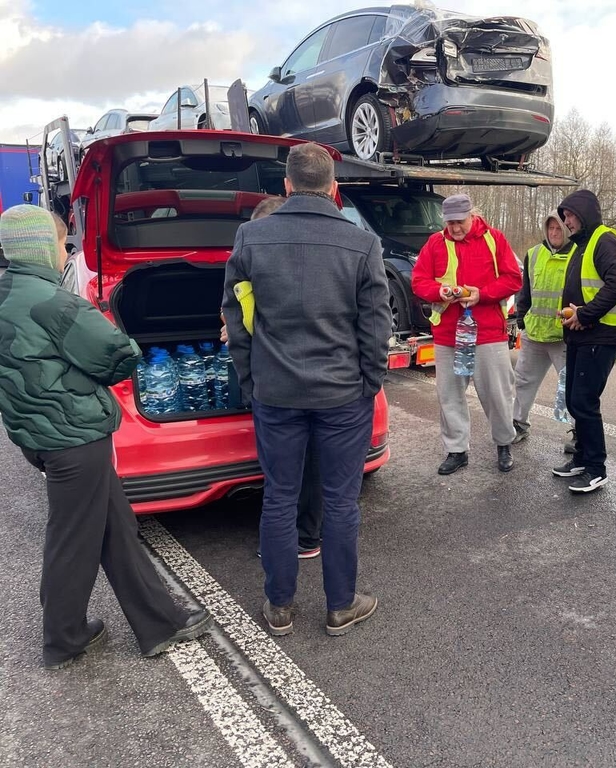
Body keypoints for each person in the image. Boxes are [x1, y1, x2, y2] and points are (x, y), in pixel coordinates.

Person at [0, 205, 211, 670]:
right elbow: (116, 354)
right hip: (75, 437)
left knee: (118, 529)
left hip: (38, 435)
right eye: (60, 245)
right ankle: (63, 638)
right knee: (73, 539)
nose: (64, 254)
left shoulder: (6, 295)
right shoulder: (55, 303)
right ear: (41, 248)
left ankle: (160, 623)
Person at [222, 143, 391, 637]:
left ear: (287, 186)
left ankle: (279, 607)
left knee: (279, 496)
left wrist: (250, 378)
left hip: (276, 393)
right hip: (343, 395)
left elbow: (237, 317)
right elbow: (377, 327)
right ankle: (340, 605)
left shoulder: (251, 236)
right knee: (340, 501)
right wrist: (369, 382)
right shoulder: (362, 244)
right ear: (335, 188)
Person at [224, 195, 323, 560]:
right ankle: (309, 536)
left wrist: (249, 383)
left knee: (282, 478)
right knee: (312, 463)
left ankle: (287, 546)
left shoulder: (252, 264)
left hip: (276, 386)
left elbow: (243, 327)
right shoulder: (315, 259)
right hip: (324, 385)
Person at [411, 193, 522, 475]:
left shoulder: (494, 239)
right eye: (450, 223)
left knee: (497, 394)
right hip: (448, 333)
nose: (455, 229)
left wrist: (481, 295)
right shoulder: (435, 243)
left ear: (472, 215)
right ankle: (457, 451)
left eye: (460, 222)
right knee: (449, 395)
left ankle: (504, 444)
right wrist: (440, 291)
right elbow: (418, 281)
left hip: (488, 332)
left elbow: (513, 278)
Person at [550, 190, 616, 493]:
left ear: (583, 213)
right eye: (564, 215)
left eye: (569, 215)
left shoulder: (603, 239)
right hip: (582, 335)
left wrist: (586, 315)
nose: (566, 221)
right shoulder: (581, 246)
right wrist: (573, 313)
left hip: (600, 335)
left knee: (584, 402)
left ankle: (597, 468)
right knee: (574, 401)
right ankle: (581, 459)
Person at [511, 211, 577, 451]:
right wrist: (522, 319)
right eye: (550, 228)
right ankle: (518, 424)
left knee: (572, 387)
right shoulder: (534, 254)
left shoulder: (578, 255)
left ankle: (579, 433)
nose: (554, 233)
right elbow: (525, 290)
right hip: (535, 333)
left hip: (563, 336)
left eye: (558, 228)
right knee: (523, 381)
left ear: (567, 230)